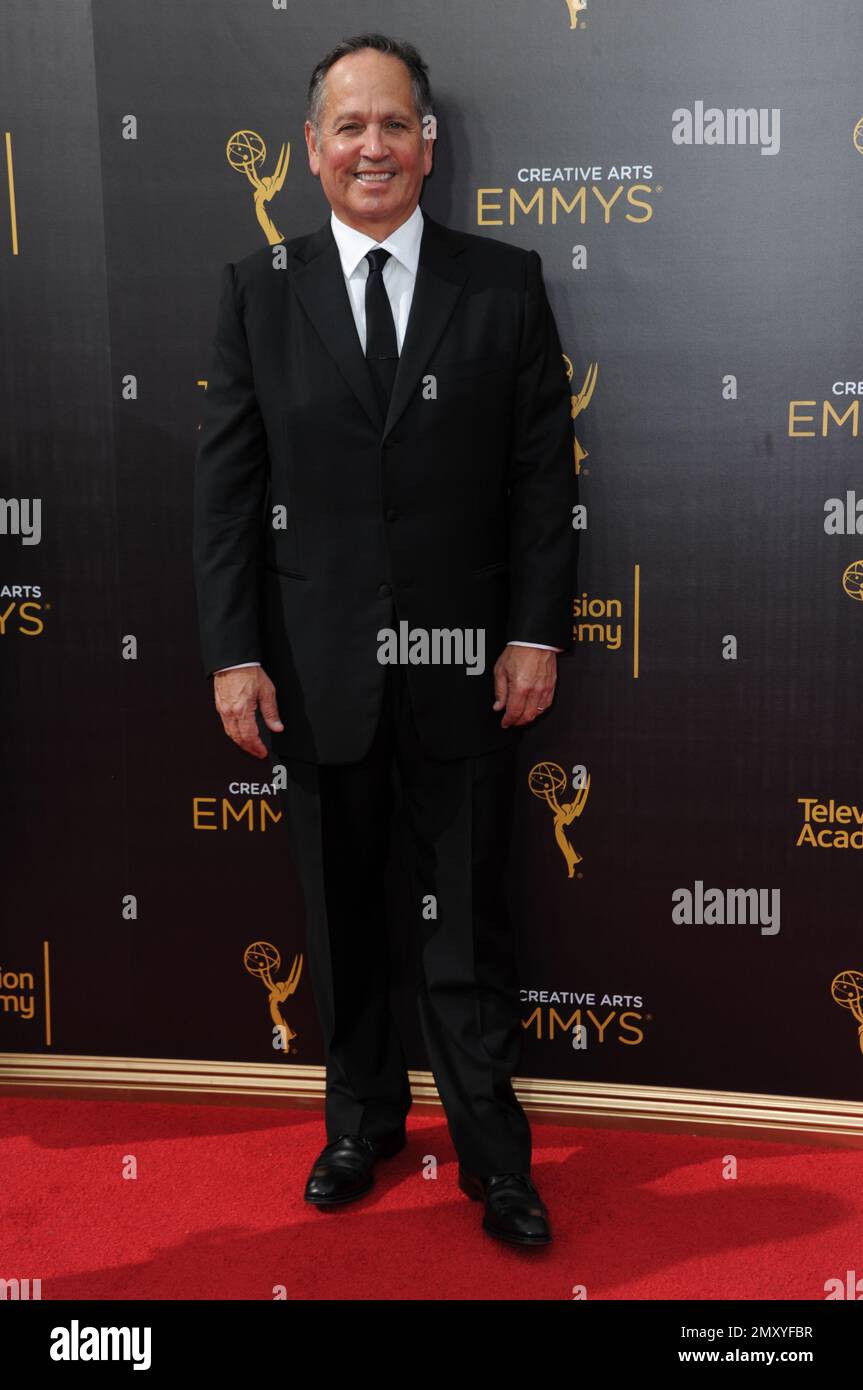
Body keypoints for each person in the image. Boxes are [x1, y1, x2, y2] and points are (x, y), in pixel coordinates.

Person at [193, 32, 578, 1248]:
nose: (373, 146)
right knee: (344, 921)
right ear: (312, 151)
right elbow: (225, 492)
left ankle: (493, 1158)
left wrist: (531, 633)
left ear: (429, 144)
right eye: (348, 126)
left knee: (468, 923)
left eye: (394, 124)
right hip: (316, 673)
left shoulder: (503, 283)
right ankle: (359, 1125)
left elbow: (538, 478)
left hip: (466, 673)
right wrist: (233, 650)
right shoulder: (257, 292)